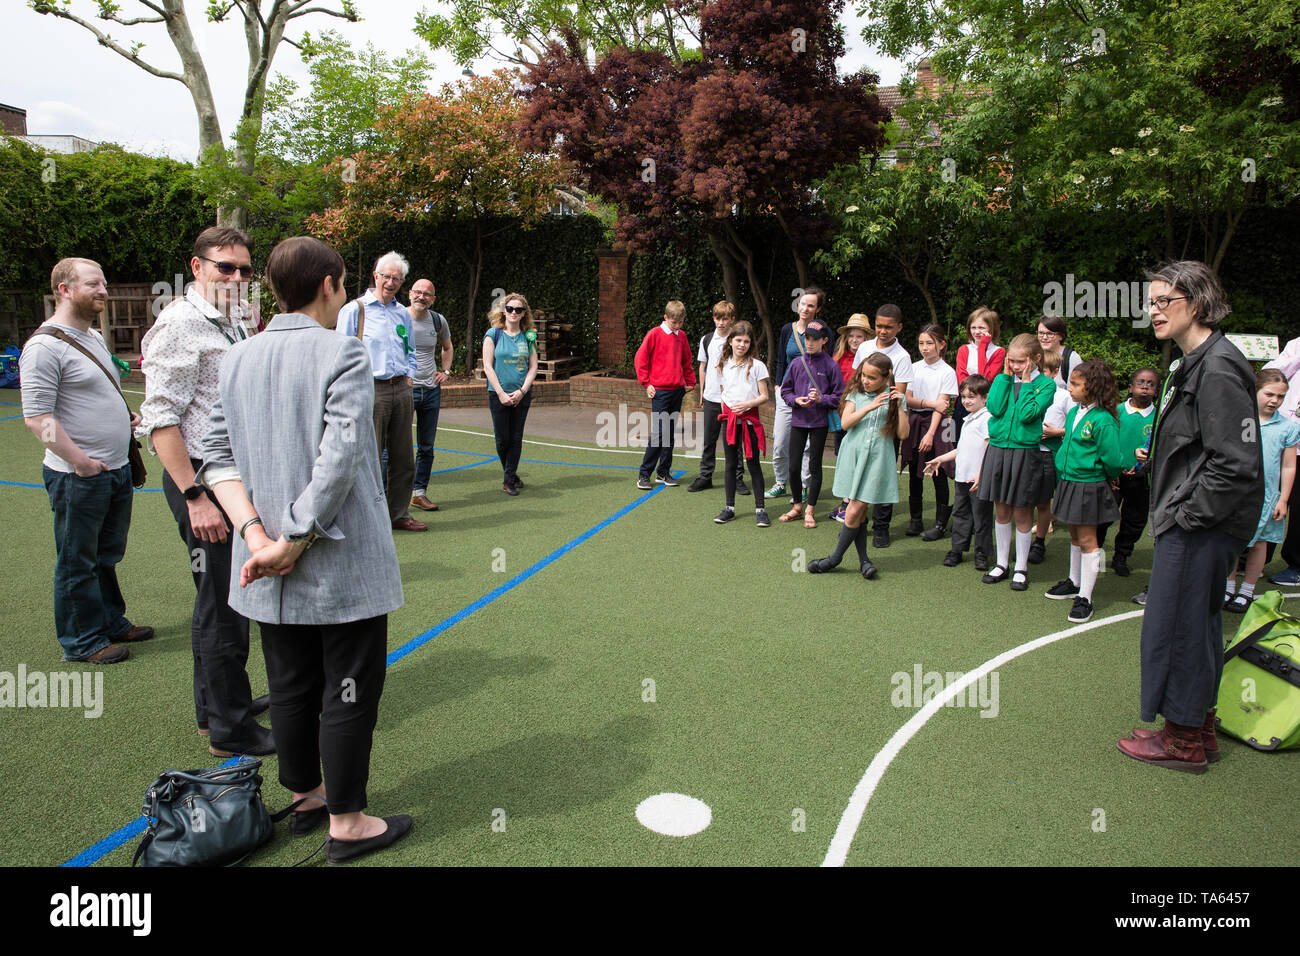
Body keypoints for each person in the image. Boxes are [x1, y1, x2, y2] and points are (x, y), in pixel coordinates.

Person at [199, 235, 412, 862]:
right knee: (348, 686)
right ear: (329, 285)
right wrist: (290, 538)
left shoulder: (238, 357)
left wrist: (255, 535)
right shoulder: (342, 352)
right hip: (332, 560)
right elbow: (342, 455)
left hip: (264, 559)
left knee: (290, 684)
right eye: (344, 281)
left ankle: (309, 796)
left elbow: (216, 456)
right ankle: (348, 823)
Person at [1118, 260, 1263, 774]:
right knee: (1197, 625)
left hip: (1203, 525)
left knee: (1176, 626)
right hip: (1204, 522)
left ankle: (1181, 742)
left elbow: (1236, 463)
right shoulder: (1200, 361)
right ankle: (1196, 726)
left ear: (1195, 305)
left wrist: (1184, 514)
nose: (1152, 310)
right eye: (1150, 301)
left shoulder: (1218, 366)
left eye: (1163, 301)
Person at [139, 226, 272, 756]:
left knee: (224, 596)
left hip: (223, 475)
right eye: (225, 267)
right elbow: (160, 420)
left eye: (244, 269)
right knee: (224, 602)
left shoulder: (232, 316)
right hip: (200, 478)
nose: (237, 277)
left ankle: (215, 706)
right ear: (197, 268)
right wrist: (194, 496)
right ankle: (229, 729)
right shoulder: (179, 325)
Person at [21, 258, 153, 664]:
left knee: (104, 555)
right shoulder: (44, 347)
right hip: (78, 475)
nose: (103, 291)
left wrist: (122, 417)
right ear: (64, 288)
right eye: (93, 284)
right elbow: (37, 418)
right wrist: (78, 461)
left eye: (104, 283)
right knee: (77, 559)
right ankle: (81, 641)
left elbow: (95, 392)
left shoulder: (92, 337)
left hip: (114, 469)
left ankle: (110, 620)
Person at [337, 252, 425, 532]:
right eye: (385, 276)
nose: (390, 282)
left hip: (400, 389)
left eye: (396, 278)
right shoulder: (355, 310)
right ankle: (368, 519)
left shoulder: (402, 313)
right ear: (375, 275)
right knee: (370, 458)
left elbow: (410, 350)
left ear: (402, 282)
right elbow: (340, 354)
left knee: (403, 458)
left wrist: (409, 377)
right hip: (369, 390)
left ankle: (397, 514)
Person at [808, 353, 908, 578]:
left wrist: (900, 407)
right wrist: (870, 407)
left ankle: (834, 559)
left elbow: (902, 433)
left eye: (872, 377)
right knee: (860, 513)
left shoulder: (896, 398)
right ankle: (864, 561)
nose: (866, 380)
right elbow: (845, 423)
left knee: (853, 512)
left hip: (878, 462)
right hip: (853, 456)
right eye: (864, 375)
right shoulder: (856, 393)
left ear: (886, 376)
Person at [1044, 360, 1125, 623]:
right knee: (1076, 535)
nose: (1070, 388)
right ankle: (1074, 581)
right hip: (1069, 480)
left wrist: (1107, 476)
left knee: (1090, 540)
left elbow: (1113, 459)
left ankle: (1085, 597)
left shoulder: (1103, 420)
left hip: (1089, 485)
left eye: (1076, 384)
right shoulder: (1075, 412)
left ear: (1094, 388)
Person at [976, 333, 1057, 591]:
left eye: (1020, 361)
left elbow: (1026, 414)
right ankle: (1001, 564)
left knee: (1022, 511)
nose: (1015, 365)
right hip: (998, 450)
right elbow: (994, 407)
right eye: (1011, 361)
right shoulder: (1004, 378)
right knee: (1001, 510)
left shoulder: (1045, 385)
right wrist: (1005, 375)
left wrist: (1025, 382)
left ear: (1035, 359)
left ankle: (1021, 567)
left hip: (1025, 452)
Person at [1224, 370, 1300, 613]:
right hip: (1238, 491)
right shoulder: (1243, 420)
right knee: (1232, 540)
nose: (1274, 400)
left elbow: (1288, 465)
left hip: (1267, 496)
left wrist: (1284, 499)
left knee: (1260, 544)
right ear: (1254, 390)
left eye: (1280, 396)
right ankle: (1227, 586)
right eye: (1269, 394)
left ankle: (1247, 591)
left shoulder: (1288, 427)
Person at [852, 304, 915, 548]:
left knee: (882, 474)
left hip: (887, 422)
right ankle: (859, 523)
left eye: (888, 327)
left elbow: (898, 394)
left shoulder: (903, 356)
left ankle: (882, 527)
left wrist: (878, 404)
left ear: (899, 327)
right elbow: (858, 380)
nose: (882, 331)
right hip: (863, 418)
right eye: (879, 326)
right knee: (860, 470)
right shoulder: (865, 347)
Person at [777, 319, 843, 528]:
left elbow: (839, 396)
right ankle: (797, 506)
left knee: (814, 466)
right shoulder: (797, 363)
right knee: (794, 467)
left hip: (819, 423)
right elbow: (785, 390)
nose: (810, 342)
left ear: (825, 340)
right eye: (807, 338)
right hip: (798, 420)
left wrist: (821, 399)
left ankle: (810, 510)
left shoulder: (831, 364)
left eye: (815, 339)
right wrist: (794, 399)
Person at [925, 374, 992, 569]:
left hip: (978, 479)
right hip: (963, 478)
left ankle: (982, 554)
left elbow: (989, 448)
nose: (966, 401)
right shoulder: (968, 418)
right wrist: (941, 458)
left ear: (985, 397)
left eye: (972, 396)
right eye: (963, 397)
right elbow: (962, 448)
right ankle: (957, 550)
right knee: (961, 514)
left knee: (981, 517)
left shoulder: (987, 418)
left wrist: (981, 473)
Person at [1100, 368, 1159, 577]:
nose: (1145, 386)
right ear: (1131, 386)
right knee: (1103, 518)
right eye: (1141, 382)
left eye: (1151, 384)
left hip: (1140, 479)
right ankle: (1096, 556)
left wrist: (1148, 463)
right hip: (1113, 477)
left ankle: (1121, 556)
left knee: (1134, 521)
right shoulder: (1116, 412)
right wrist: (1111, 470)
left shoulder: (1159, 418)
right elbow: (1105, 443)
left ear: (1156, 389)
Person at [712, 321, 770, 527]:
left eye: (746, 341)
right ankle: (729, 508)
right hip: (729, 421)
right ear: (730, 340)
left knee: (753, 464)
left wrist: (747, 404)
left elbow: (764, 396)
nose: (742, 345)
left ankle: (760, 509)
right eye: (738, 340)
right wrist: (725, 413)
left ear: (750, 343)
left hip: (749, 421)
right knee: (730, 464)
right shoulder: (723, 364)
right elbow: (723, 392)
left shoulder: (757, 366)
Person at [483, 292, 540, 495]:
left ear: (524, 313)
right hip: (497, 394)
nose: (513, 313)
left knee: (516, 437)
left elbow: (533, 367)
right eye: (510, 309)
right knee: (502, 439)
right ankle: (512, 473)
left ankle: (508, 480)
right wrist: (500, 393)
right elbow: (488, 367)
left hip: (521, 395)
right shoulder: (493, 334)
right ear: (503, 311)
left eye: (518, 310)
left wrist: (522, 391)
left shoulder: (529, 336)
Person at [634, 301, 695, 490]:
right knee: (659, 434)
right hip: (660, 392)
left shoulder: (682, 336)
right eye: (673, 322)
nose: (677, 326)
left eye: (680, 322)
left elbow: (687, 360)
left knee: (669, 434)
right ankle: (644, 474)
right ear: (665, 317)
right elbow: (640, 359)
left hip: (677, 392)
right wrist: (646, 383)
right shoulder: (654, 334)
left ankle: (663, 472)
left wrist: (690, 382)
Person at [905, 324, 958, 540]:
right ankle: (915, 520)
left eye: (930, 343)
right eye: (921, 343)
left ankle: (940, 523)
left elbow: (942, 406)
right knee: (914, 471)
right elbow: (906, 399)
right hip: (915, 420)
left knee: (940, 472)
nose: (925, 348)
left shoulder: (948, 371)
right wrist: (928, 402)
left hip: (940, 425)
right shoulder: (913, 367)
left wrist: (930, 434)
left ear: (941, 344)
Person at [769, 289, 823, 499]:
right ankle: (780, 482)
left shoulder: (822, 332)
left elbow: (824, 363)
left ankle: (802, 486)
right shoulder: (786, 330)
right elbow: (782, 359)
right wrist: (778, 386)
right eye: (803, 304)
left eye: (811, 305)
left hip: (811, 397)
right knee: (780, 441)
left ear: (817, 309)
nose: (805, 308)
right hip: (787, 394)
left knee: (807, 446)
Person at [689, 300, 746, 494]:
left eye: (725, 319)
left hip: (732, 400)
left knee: (733, 440)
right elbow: (702, 367)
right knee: (709, 440)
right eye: (717, 318)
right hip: (711, 397)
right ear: (713, 318)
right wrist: (702, 392)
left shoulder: (736, 340)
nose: (721, 322)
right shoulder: (706, 340)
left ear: (732, 319)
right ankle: (705, 476)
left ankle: (738, 478)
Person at [407, 278, 454, 513]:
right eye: (418, 292)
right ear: (409, 294)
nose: (421, 297)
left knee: (426, 446)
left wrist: (445, 371)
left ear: (433, 299)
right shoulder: (397, 318)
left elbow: (447, 347)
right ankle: (385, 497)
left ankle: (418, 493)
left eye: (427, 294)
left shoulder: (437, 320)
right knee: (393, 446)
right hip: (404, 391)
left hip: (431, 391)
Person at [1264, 338, 1300, 586]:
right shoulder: (1297, 345)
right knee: (1266, 496)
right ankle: (1253, 554)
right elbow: (1271, 374)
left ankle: (1297, 564)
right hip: (1280, 436)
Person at [828, 314, 871, 523]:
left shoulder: (869, 360)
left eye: (859, 336)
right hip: (841, 414)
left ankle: (852, 503)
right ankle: (846, 501)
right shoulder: (837, 358)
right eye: (852, 336)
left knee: (857, 459)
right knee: (843, 456)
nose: (855, 340)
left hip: (861, 415)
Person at [953, 307, 1004, 436]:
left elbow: (984, 380)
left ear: (991, 329)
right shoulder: (964, 350)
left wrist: (982, 348)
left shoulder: (998, 352)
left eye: (981, 328)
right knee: (958, 439)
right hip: (964, 402)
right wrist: (969, 396)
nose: (977, 332)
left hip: (985, 402)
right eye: (973, 327)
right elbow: (961, 380)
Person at [1037, 315, 1083, 388]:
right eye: (1041, 333)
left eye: (1050, 334)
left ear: (1061, 336)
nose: (1044, 337)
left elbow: (1075, 394)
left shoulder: (1072, 358)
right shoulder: (1034, 355)